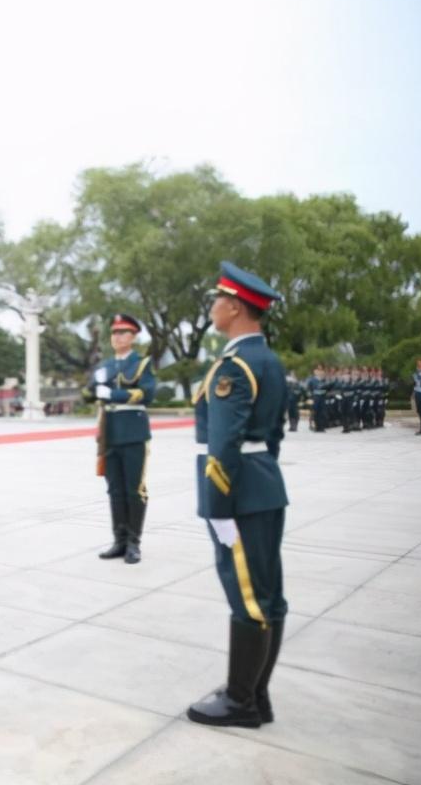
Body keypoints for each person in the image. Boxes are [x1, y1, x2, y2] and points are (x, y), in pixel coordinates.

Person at [188, 261, 288, 730]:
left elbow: (224, 445)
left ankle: (240, 701)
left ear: (232, 306)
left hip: (240, 494)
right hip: (263, 484)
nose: (212, 307)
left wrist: (218, 507)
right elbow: (273, 437)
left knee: (248, 598)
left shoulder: (235, 365)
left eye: (216, 300)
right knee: (269, 596)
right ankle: (258, 696)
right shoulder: (267, 359)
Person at [83, 313, 156, 565]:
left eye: (123, 333)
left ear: (133, 337)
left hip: (133, 431)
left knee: (134, 489)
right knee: (114, 490)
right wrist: (92, 389)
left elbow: (146, 393)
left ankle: (134, 542)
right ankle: (119, 540)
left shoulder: (142, 363)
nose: (117, 337)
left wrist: (112, 393)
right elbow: (89, 393)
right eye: (114, 333)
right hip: (110, 433)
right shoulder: (105, 365)